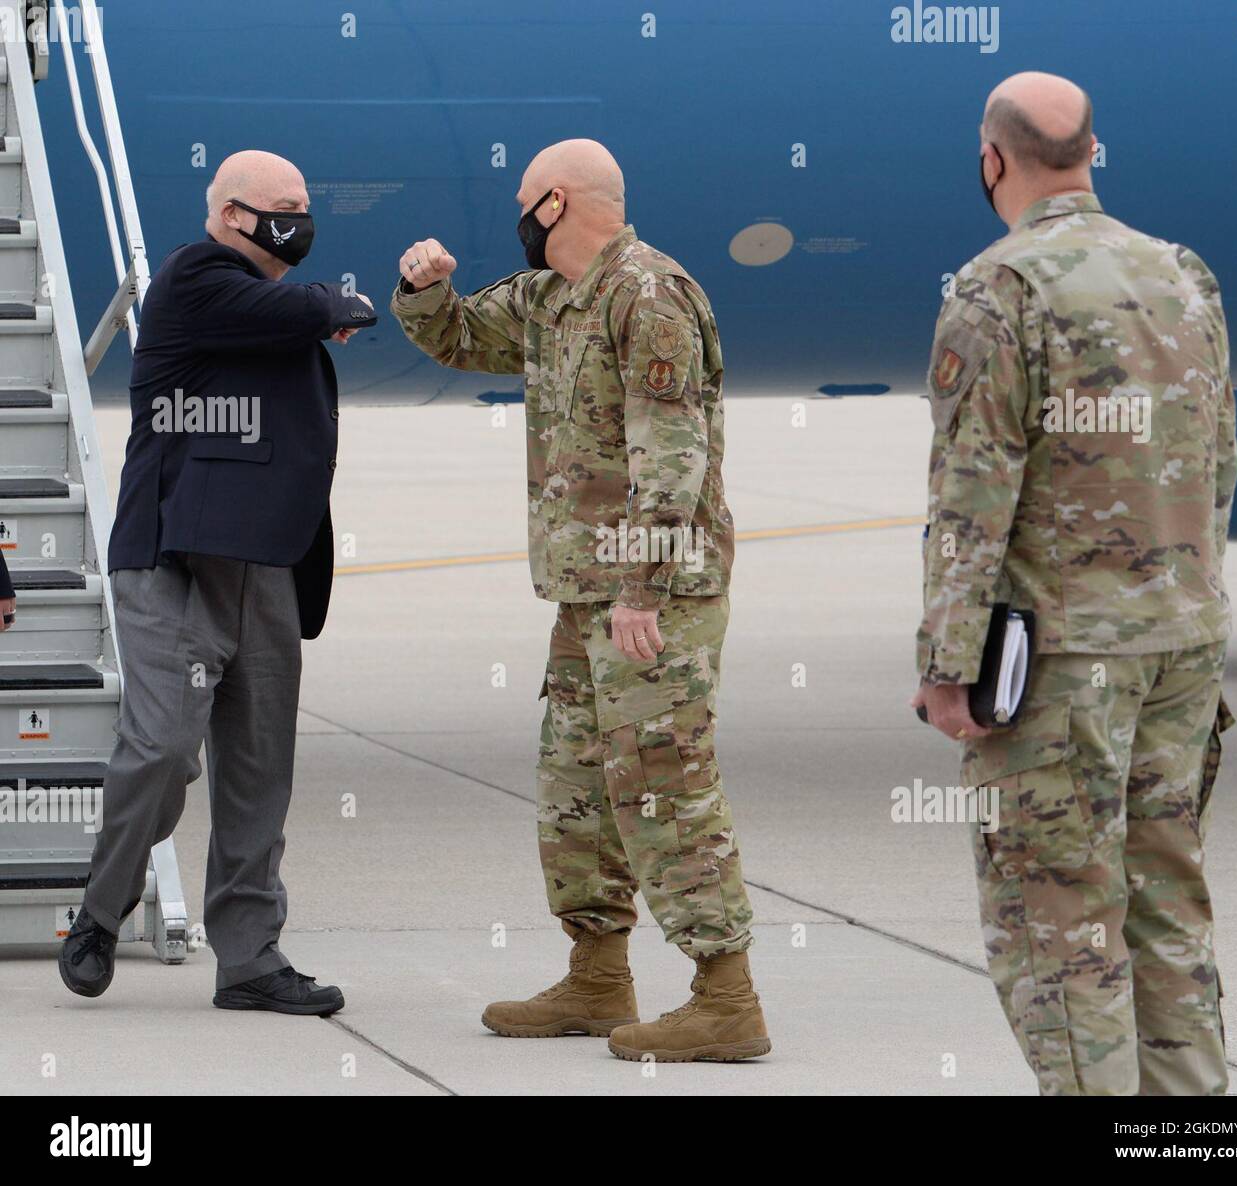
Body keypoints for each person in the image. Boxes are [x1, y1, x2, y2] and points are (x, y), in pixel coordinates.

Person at [392, 138, 770, 1062]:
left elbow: (672, 456)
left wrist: (643, 586)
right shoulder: (551, 297)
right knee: (578, 790)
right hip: (583, 592)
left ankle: (728, 997)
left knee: (664, 786)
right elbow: (458, 337)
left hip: (653, 595)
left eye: (522, 199)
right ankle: (598, 975)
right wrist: (425, 289)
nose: (514, 214)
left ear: (555, 202)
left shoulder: (649, 294)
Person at [912, 73, 1237, 1095]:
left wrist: (946, 665)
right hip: (1180, 646)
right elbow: (1216, 459)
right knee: (1163, 913)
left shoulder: (996, 287)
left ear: (992, 161)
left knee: (1059, 931)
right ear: (1093, 153)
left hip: (1063, 663)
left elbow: (974, 494)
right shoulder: (1182, 274)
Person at [58, 150, 376, 1015]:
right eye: (285, 208)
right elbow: (307, 305)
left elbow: (287, 324)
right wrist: (340, 305)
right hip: (177, 559)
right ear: (234, 215)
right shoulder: (195, 277)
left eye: (307, 205)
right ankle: (100, 909)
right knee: (163, 746)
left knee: (257, 771)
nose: (300, 221)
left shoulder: (269, 309)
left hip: (266, 565)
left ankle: (249, 959)